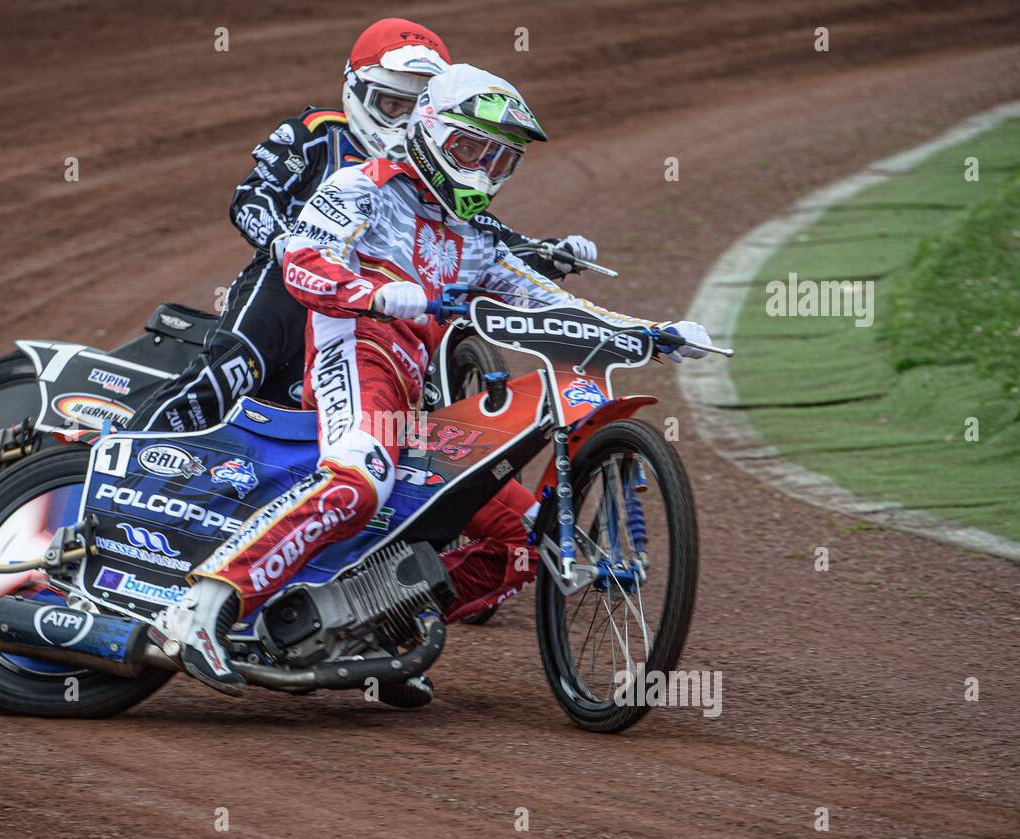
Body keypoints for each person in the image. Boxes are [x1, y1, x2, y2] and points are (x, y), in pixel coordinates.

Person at [166, 63, 712, 695]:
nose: (482, 171)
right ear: (428, 131)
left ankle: (368, 630)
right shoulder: (362, 187)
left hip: (415, 391)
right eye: (470, 149)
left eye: (500, 160)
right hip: (354, 352)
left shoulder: (478, 237)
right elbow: (301, 263)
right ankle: (203, 607)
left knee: (519, 539)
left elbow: (548, 303)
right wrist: (371, 294)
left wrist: (654, 331)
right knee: (360, 480)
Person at [130, 17, 597, 435]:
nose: (402, 120)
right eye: (393, 104)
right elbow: (252, 197)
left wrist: (547, 253)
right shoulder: (317, 133)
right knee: (232, 367)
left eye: (415, 108)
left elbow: (480, 235)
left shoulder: (437, 169)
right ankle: (113, 458)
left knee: (414, 414)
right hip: (293, 286)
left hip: (395, 309)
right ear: (357, 89)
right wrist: (283, 243)